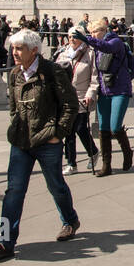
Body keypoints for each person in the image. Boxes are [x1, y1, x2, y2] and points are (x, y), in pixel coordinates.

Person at [0, 29, 80, 262]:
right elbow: (14, 106)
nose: (14, 53)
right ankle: (5, 241)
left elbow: (70, 105)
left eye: (19, 49)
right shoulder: (15, 74)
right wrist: (15, 123)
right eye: (13, 48)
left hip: (47, 140)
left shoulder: (52, 71)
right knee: (13, 191)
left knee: (56, 185)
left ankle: (70, 220)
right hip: (21, 141)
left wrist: (58, 133)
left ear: (34, 50)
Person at [79, 17, 134, 177]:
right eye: (90, 33)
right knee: (103, 128)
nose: (92, 35)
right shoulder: (94, 47)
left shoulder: (114, 41)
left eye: (95, 32)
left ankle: (127, 151)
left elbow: (107, 48)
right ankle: (106, 165)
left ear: (104, 31)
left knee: (115, 126)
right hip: (104, 90)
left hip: (120, 89)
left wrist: (88, 40)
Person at [55, 26, 100, 176]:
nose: (72, 39)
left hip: (82, 98)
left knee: (80, 128)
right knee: (68, 131)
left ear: (82, 37)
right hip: (65, 98)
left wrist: (91, 93)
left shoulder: (90, 53)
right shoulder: (63, 53)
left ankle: (93, 151)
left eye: (75, 36)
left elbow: (95, 77)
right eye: (70, 36)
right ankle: (71, 163)